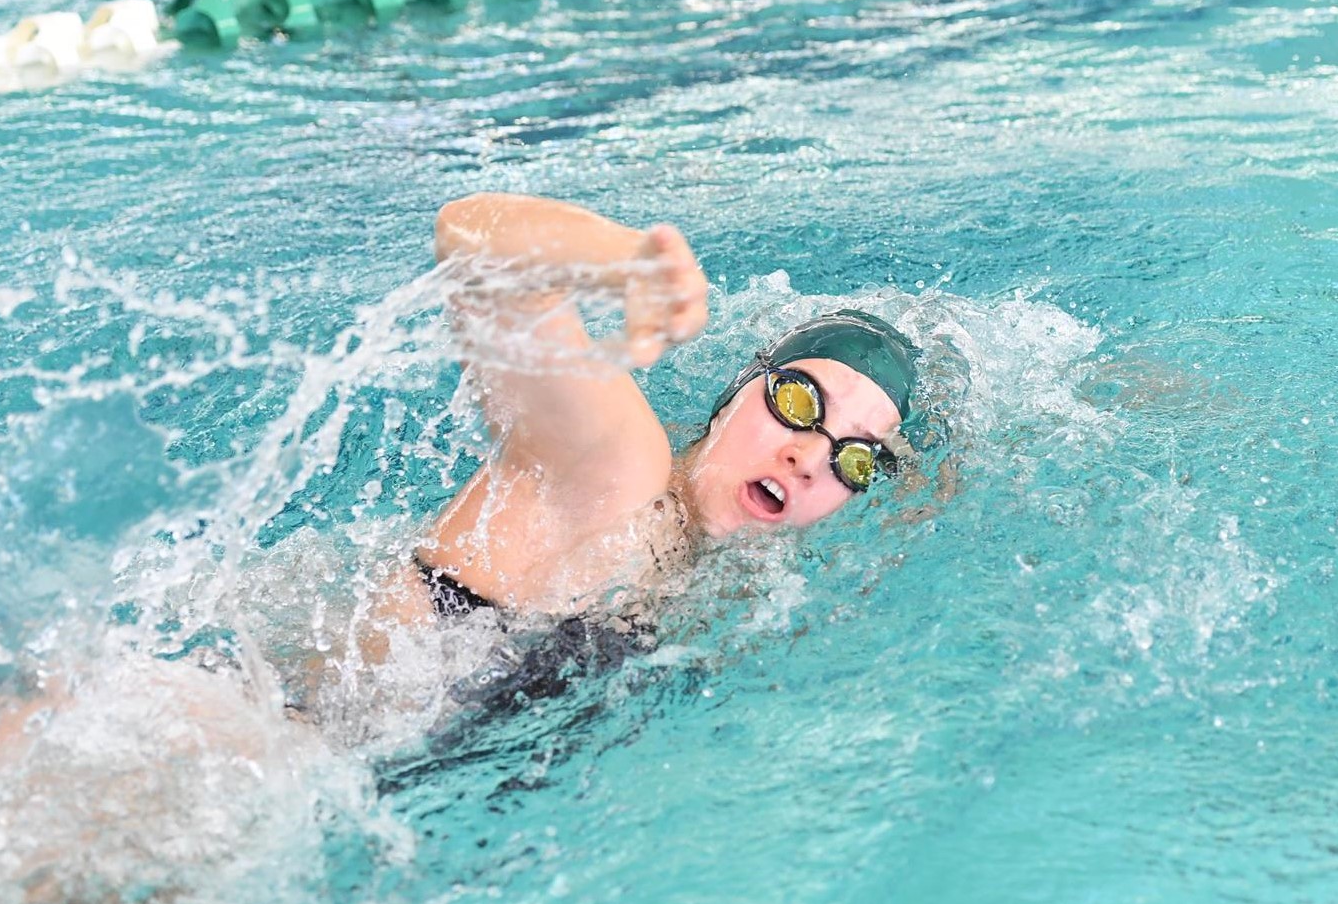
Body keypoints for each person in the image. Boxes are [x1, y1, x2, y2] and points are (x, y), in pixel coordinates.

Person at [331, 192, 925, 714]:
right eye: (798, 401)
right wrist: (622, 258)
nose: (810, 457)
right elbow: (474, 244)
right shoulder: (619, 468)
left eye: (856, 459)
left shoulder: (729, 589)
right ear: (734, 395)